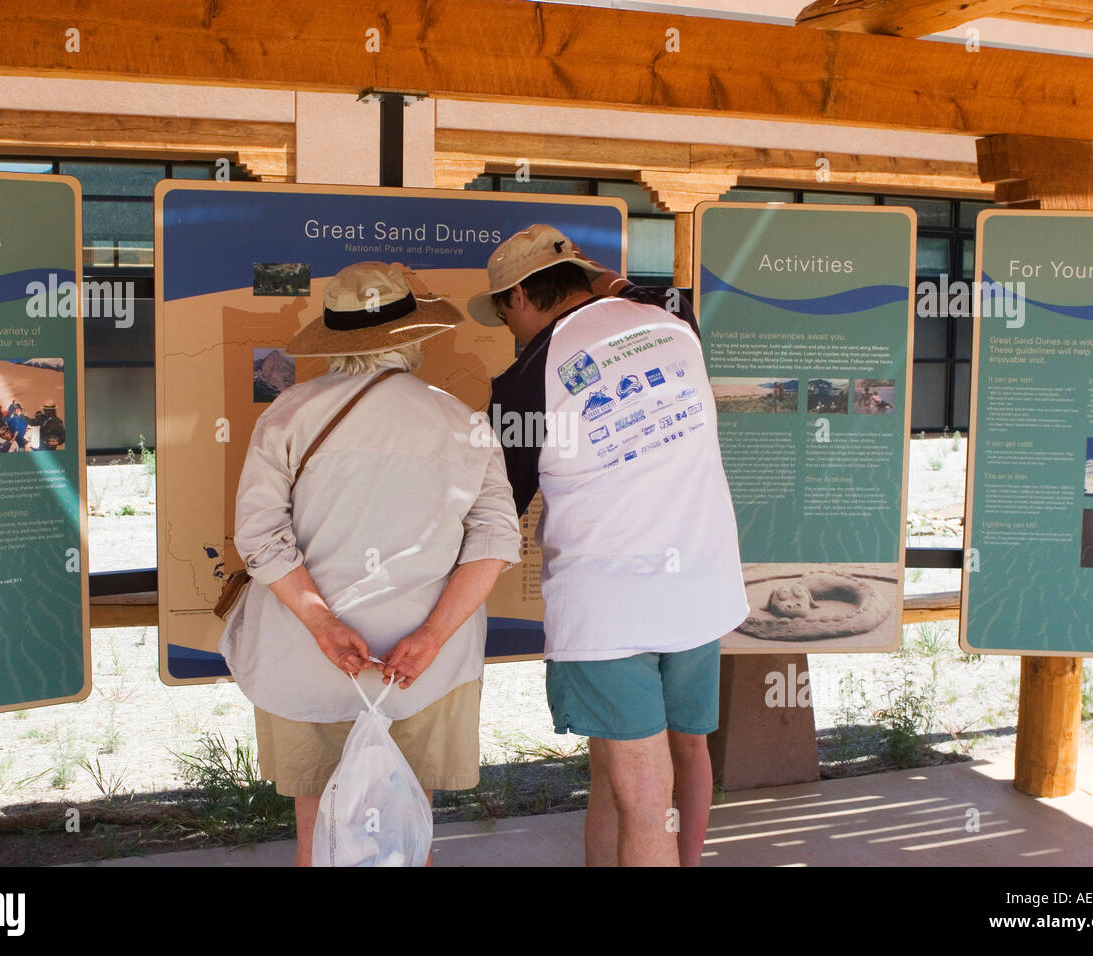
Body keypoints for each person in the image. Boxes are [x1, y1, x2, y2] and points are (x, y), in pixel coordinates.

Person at [220, 261, 521, 867]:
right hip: (423, 672)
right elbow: (495, 540)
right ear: (414, 335)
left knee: (320, 835)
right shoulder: (461, 422)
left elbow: (259, 536)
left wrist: (326, 627)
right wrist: (432, 637)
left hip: (305, 660)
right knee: (408, 831)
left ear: (334, 338)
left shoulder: (286, 414)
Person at [473, 224, 747, 867]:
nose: (506, 325)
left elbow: (499, 510)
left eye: (501, 310)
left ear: (518, 297)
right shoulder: (672, 321)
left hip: (609, 613)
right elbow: (648, 291)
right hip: (700, 592)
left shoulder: (525, 380)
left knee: (643, 802)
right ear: (582, 278)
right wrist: (595, 276)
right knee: (630, 782)